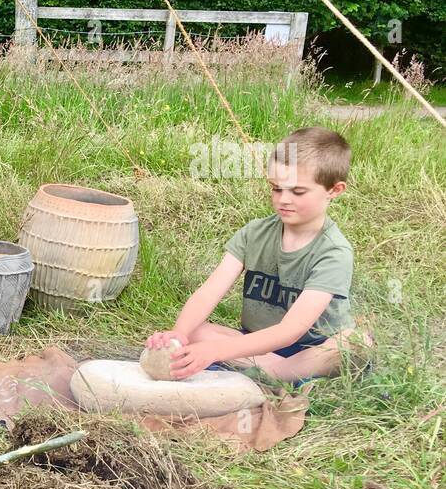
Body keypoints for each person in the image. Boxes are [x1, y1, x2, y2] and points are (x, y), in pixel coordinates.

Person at [147, 126, 367, 383]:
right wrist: (177, 335)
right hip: (256, 343)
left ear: (335, 190)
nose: (283, 199)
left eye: (297, 191)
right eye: (276, 188)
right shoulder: (255, 233)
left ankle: (275, 371)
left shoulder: (333, 252)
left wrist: (215, 351)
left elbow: (291, 330)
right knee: (196, 331)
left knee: (354, 344)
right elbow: (209, 292)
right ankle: (275, 370)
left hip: (310, 347)